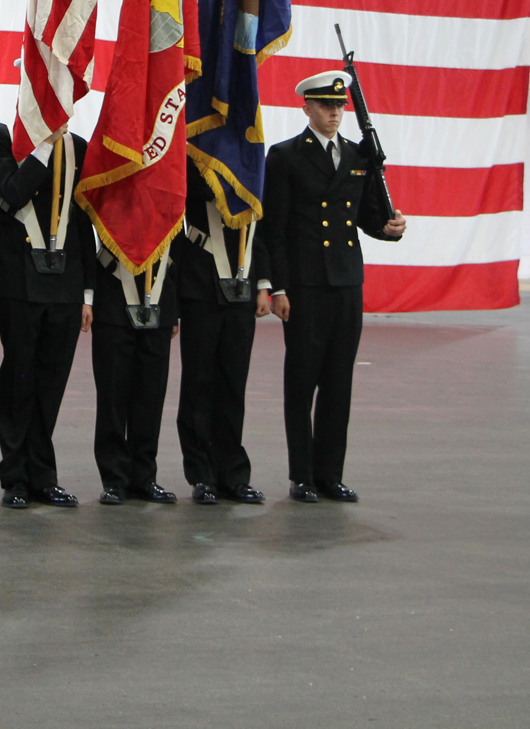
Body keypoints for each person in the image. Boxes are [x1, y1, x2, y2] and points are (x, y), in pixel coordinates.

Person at [262, 71, 407, 504]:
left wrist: (391, 227)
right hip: (305, 285)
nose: (334, 113)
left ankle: (330, 474)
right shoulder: (285, 156)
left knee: (338, 383)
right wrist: (279, 287)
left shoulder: (358, 156)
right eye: (326, 106)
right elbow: (276, 229)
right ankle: (301, 474)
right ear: (306, 107)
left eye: (340, 106)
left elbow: (367, 217)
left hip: (345, 282)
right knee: (302, 381)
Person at [0, 121, 97, 509]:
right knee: (20, 379)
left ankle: (43, 475)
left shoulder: (78, 147)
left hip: (64, 283)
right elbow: (13, 194)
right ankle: (14, 476)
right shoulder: (1, 138)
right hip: (17, 284)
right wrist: (44, 146)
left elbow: (81, 222)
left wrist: (87, 292)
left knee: (51, 383)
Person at [172, 161, 271, 505]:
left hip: (243, 284)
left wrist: (263, 283)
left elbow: (260, 221)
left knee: (233, 383)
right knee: (199, 381)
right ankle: (201, 473)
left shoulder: (251, 156)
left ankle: (233, 474)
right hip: (201, 281)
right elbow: (190, 197)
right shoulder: (192, 157)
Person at [90, 241, 179, 506]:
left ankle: (144, 476)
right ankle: (114, 478)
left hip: (160, 292)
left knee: (151, 394)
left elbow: (178, 241)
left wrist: (173, 309)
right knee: (113, 393)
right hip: (114, 291)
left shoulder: (170, 196)